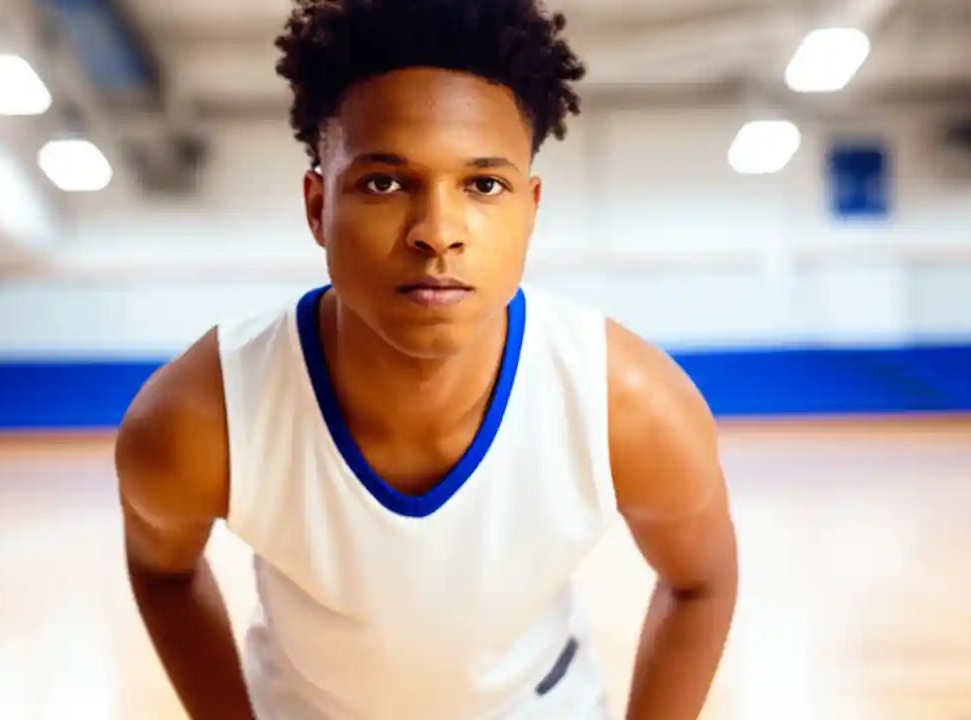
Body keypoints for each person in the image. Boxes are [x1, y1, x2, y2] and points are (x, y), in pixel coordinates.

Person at [115, 0, 738, 718]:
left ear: (530, 209)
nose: (437, 232)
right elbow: (163, 571)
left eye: (483, 185)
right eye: (384, 182)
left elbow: (701, 580)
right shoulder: (199, 417)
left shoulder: (628, 405)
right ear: (318, 207)